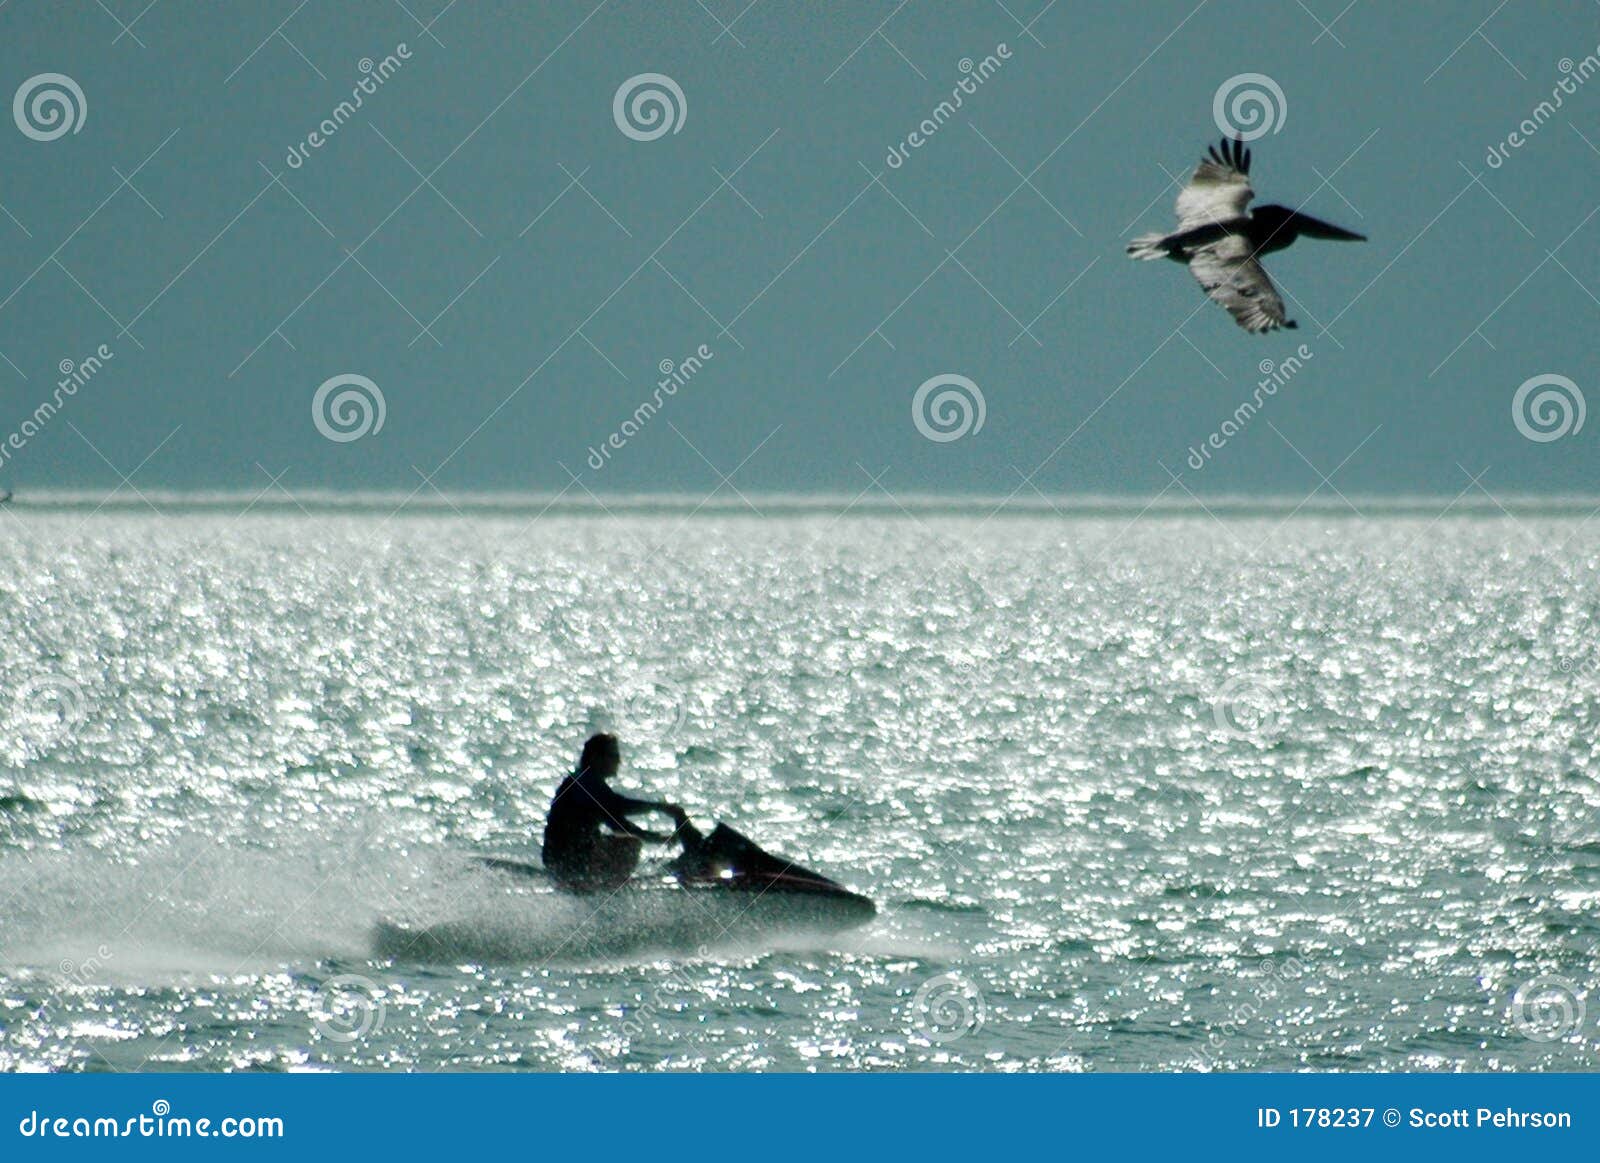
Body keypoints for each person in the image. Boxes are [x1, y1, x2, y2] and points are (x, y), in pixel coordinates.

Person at [541, 733, 688, 892]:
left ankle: (604, 884)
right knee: (630, 845)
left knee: (626, 840)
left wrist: (658, 837)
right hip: (565, 859)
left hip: (561, 858)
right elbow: (618, 806)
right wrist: (660, 808)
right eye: (614, 756)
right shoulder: (584, 782)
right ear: (596, 758)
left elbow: (617, 823)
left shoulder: (587, 782)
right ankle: (610, 889)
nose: (619, 761)